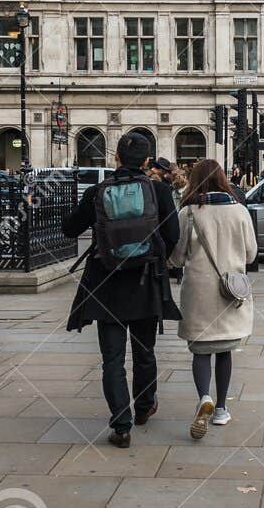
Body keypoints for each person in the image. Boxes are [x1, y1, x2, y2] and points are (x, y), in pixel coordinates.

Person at [64, 132, 181, 447]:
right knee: (145, 351)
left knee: (112, 359)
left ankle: (121, 426)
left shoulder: (98, 191)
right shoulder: (159, 190)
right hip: (145, 281)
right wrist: (154, 256)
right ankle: (144, 407)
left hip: (107, 282)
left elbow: (70, 228)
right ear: (147, 161)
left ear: (116, 158)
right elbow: (173, 234)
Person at [167, 159, 257, 439]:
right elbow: (251, 254)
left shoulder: (188, 213)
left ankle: (203, 397)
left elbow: (177, 257)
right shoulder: (240, 211)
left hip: (199, 290)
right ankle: (220, 409)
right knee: (225, 349)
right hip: (231, 290)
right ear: (222, 179)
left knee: (201, 349)